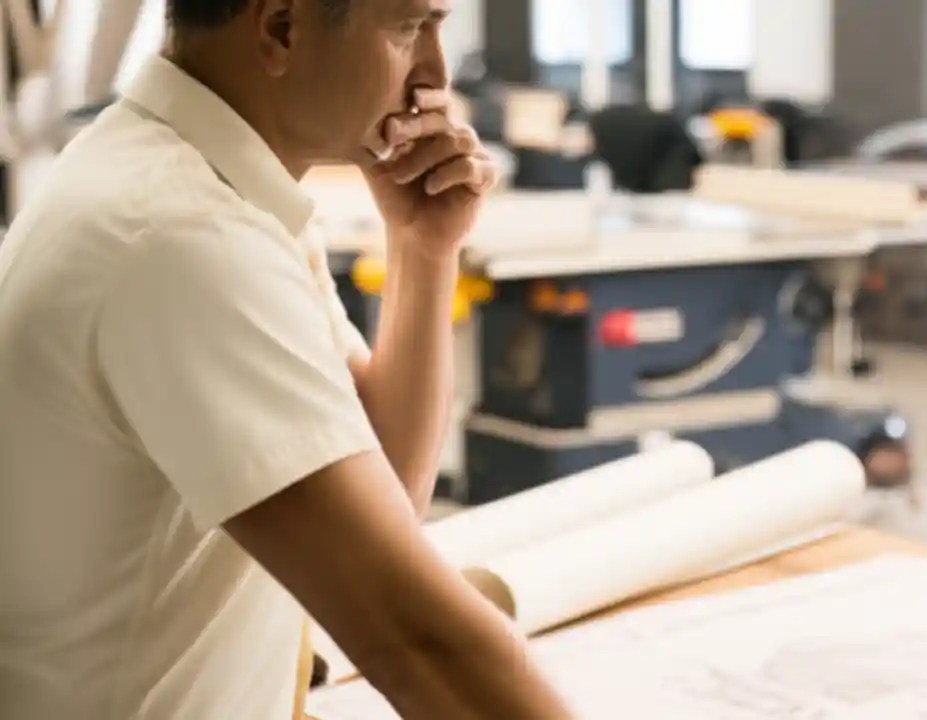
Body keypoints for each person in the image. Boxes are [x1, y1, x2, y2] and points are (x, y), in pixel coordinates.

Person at [0, 0, 573, 717]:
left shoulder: (200, 186)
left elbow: (383, 487)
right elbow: (417, 640)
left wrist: (422, 250)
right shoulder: (181, 238)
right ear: (280, 29)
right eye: (407, 29)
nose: (434, 77)